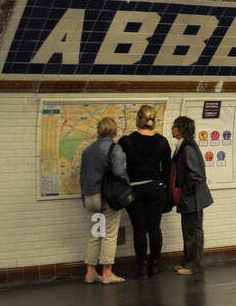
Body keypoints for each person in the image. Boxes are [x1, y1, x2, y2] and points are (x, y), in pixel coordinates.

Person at [120, 105, 172, 279]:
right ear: (154, 120)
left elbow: (118, 164)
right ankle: (155, 266)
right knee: (154, 228)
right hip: (155, 189)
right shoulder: (163, 142)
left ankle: (141, 267)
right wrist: (161, 184)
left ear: (138, 119)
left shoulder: (126, 141)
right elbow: (167, 169)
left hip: (134, 189)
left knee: (139, 230)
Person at [79, 117, 129, 285]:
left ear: (98, 131)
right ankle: (107, 272)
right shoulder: (114, 148)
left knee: (95, 234)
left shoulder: (87, 151)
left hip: (90, 198)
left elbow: (82, 177)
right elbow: (119, 173)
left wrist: (85, 198)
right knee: (109, 234)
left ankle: (90, 272)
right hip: (106, 198)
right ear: (115, 132)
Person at [171, 116, 214, 275]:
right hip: (191, 196)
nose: (172, 129)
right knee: (189, 230)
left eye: (175, 126)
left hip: (192, 197)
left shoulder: (187, 148)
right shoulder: (184, 145)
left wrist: (184, 192)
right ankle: (187, 262)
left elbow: (196, 176)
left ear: (181, 129)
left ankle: (194, 265)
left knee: (193, 232)